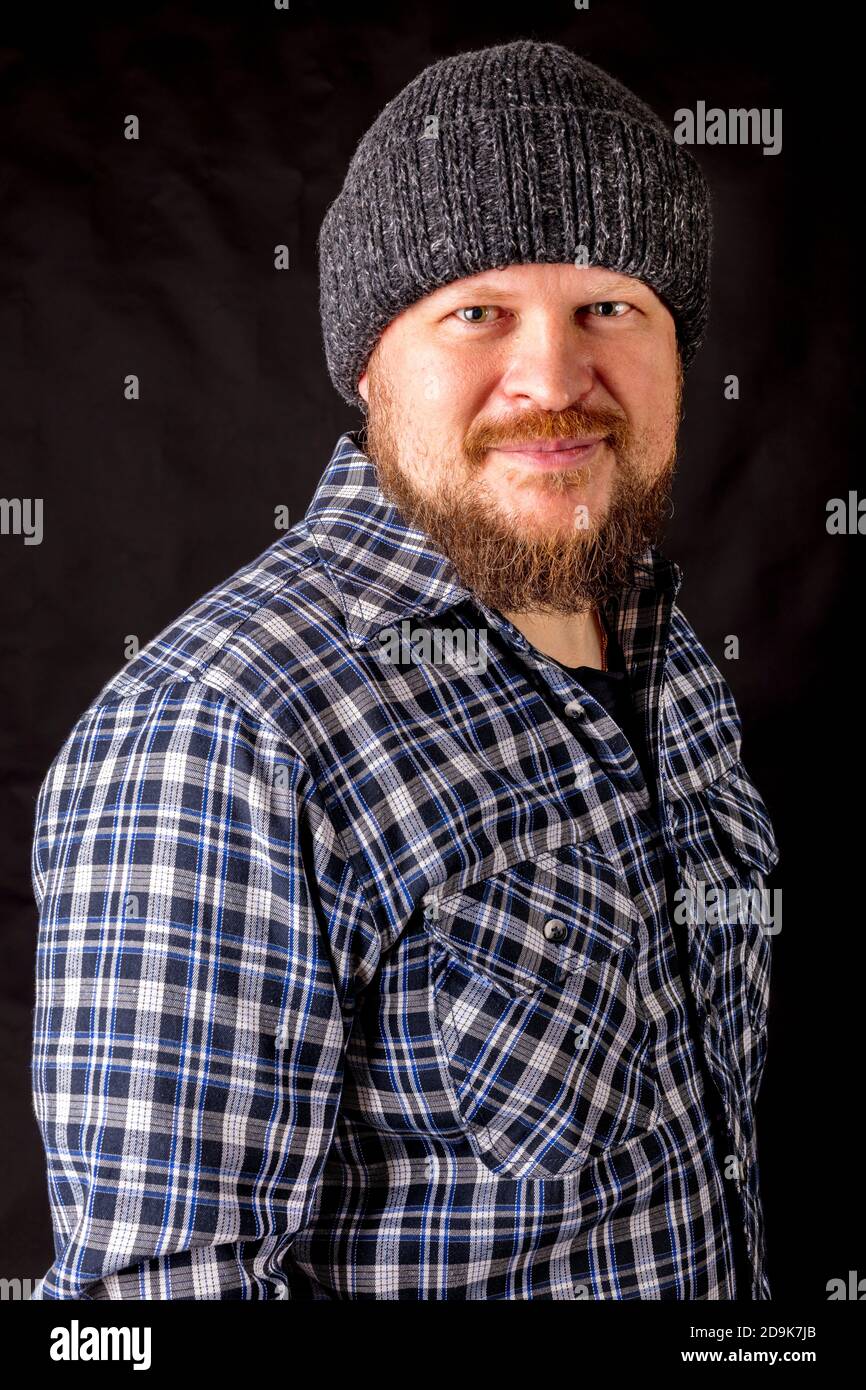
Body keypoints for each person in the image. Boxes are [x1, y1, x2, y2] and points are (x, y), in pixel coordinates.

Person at [30, 38, 779, 1300]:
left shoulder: (659, 647)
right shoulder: (225, 730)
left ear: (674, 354)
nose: (552, 378)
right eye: (475, 310)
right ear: (370, 364)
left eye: (611, 307)